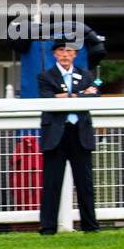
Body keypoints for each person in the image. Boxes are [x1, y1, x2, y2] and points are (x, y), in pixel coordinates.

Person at [39, 39, 100, 235]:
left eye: (69, 51)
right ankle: (48, 228)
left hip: (80, 132)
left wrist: (69, 96)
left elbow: (95, 94)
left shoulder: (86, 74)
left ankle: (90, 226)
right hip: (56, 133)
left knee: (85, 183)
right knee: (51, 183)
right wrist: (80, 94)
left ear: (75, 54)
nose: (65, 54)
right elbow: (47, 98)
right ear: (54, 54)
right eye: (61, 50)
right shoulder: (46, 76)